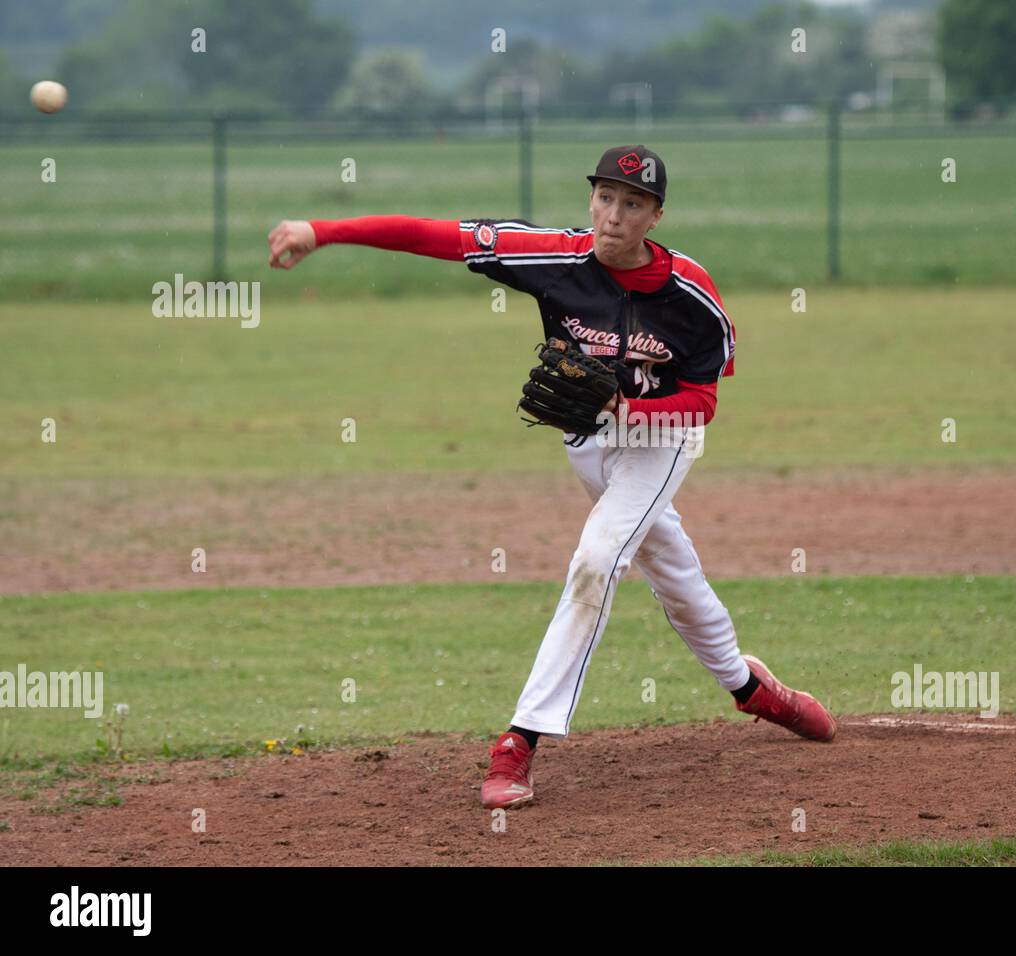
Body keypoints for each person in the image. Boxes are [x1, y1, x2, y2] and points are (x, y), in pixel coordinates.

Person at [267, 144, 837, 810]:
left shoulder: (691, 296)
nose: (613, 215)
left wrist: (630, 407)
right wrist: (324, 231)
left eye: (631, 204)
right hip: (587, 439)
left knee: (597, 562)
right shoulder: (552, 258)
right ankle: (752, 689)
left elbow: (703, 403)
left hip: (661, 440)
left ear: (655, 215)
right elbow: (437, 237)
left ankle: (518, 744)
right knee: (672, 570)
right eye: (604, 198)